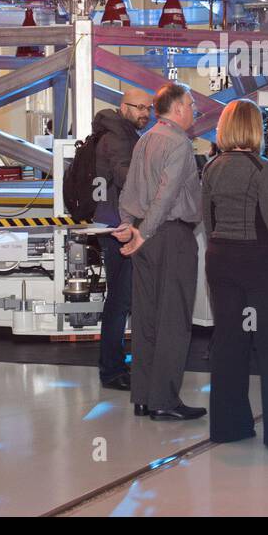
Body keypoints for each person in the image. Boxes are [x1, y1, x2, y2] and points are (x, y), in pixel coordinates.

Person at [201, 100, 268, 450]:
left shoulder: (212, 166)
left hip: (220, 260)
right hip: (260, 264)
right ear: (255, 128)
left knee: (228, 344)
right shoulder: (261, 168)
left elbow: (208, 221)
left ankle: (229, 426)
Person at [114, 82, 205, 421]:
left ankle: (143, 395)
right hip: (170, 236)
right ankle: (164, 399)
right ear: (178, 107)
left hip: (144, 234)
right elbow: (166, 197)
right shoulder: (178, 142)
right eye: (192, 103)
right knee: (173, 319)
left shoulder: (146, 139)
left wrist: (131, 227)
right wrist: (145, 230)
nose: (194, 110)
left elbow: (130, 190)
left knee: (146, 317)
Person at [93, 89, 153, 391]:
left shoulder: (125, 133)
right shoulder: (118, 136)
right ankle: (112, 370)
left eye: (148, 108)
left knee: (119, 298)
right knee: (120, 299)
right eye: (138, 107)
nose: (144, 113)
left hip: (114, 222)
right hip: (119, 227)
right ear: (122, 106)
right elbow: (125, 175)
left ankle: (113, 363)